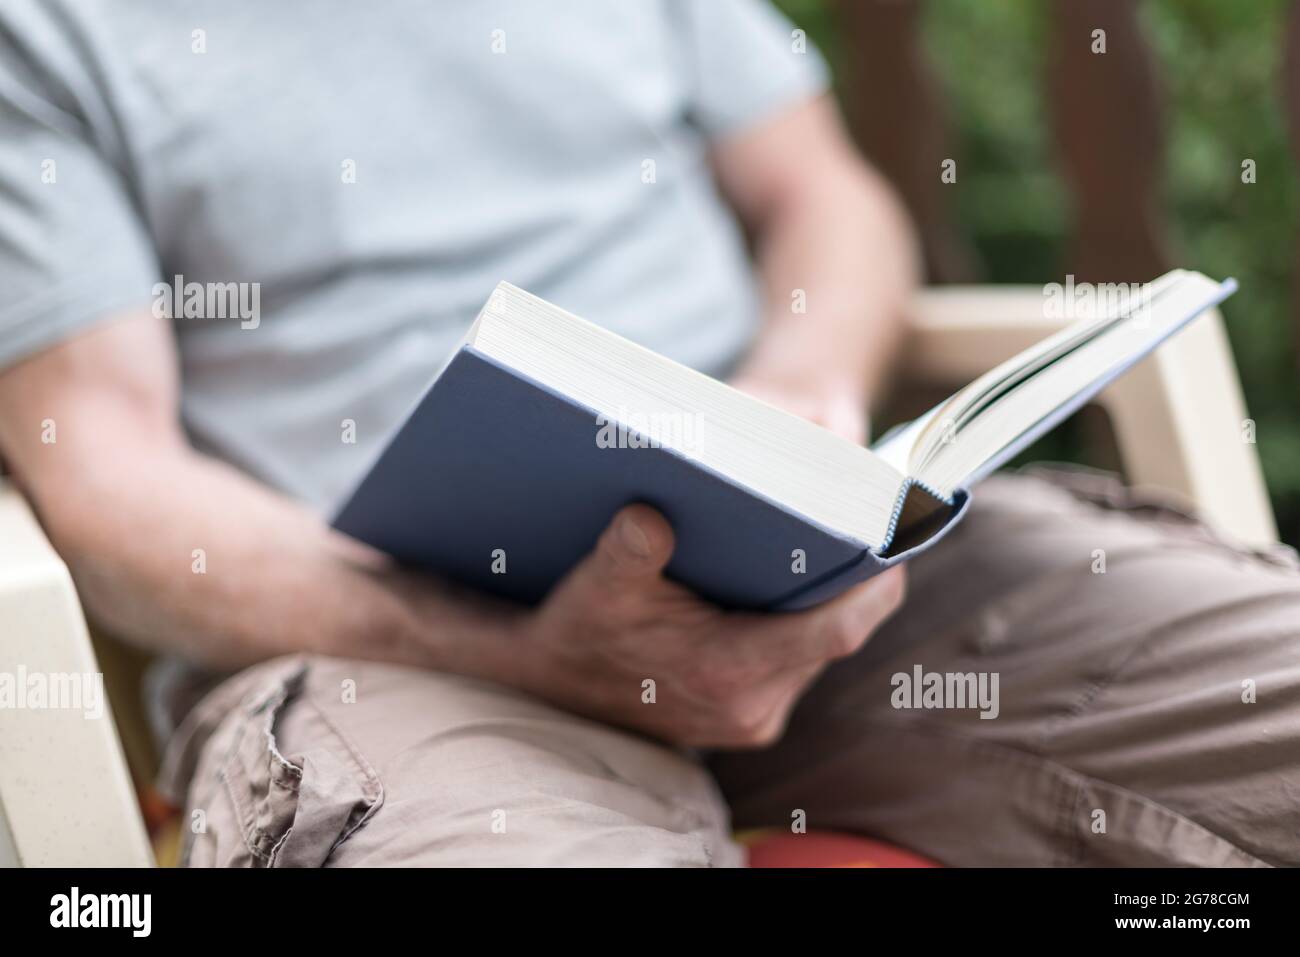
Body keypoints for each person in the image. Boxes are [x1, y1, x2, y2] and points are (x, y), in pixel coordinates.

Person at [0, 0, 1295, 867]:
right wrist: (522, 649)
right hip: (393, 652)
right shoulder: (44, 34)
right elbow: (107, 475)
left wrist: (809, 384)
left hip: (846, 578)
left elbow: (827, 197)